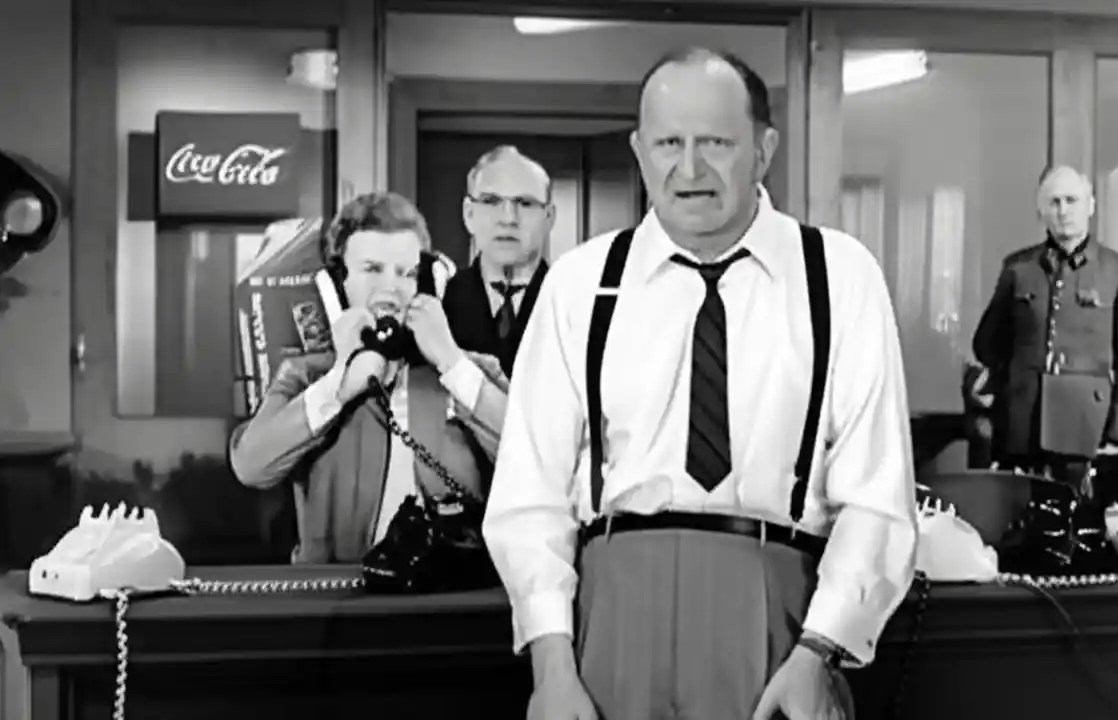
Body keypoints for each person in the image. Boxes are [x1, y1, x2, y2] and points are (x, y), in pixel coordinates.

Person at [481, 48, 917, 720]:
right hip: (613, 619)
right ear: (638, 150)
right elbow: (528, 493)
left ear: (764, 150)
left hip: (781, 615)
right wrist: (552, 668)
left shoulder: (839, 276)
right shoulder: (581, 283)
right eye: (668, 143)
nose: (689, 169)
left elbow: (877, 494)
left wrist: (818, 651)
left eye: (716, 142)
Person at [229, 192, 508, 562]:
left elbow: (539, 455)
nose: (391, 288)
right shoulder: (306, 377)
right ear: (336, 285)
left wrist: (452, 365)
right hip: (338, 602)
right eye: (373, 269)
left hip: (449, 599)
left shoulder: (473, 372)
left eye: (407, 273)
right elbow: (251, 466)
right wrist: (338, 389)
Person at [972, 166, 1118, 493]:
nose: (1063, 211)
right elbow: (987, 345)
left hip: (1085, 423)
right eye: (1054, 202)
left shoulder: (1116, 271)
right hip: (1024, 421)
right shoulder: (1018, 269)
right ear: (1041, 210)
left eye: (1071, 201)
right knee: (1020, 518)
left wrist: (1117, 428)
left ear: (1090, 206)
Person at [443, 145, 553, 379]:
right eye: (491, 201)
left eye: (524, 203)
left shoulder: (573, 301)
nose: (508, 219)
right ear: (468, 214)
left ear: (549, 217)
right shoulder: (441, 300)